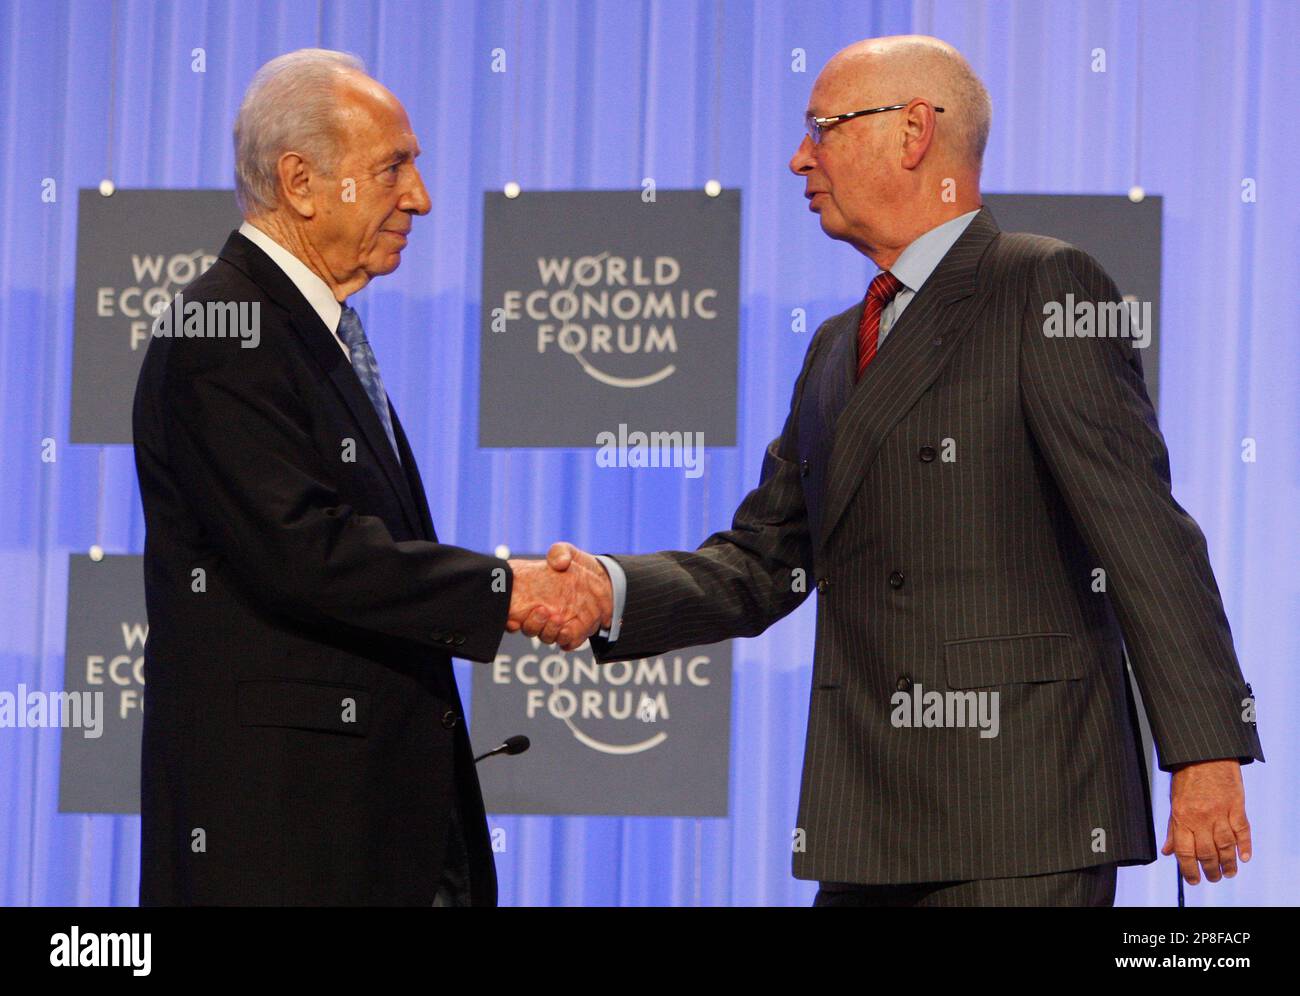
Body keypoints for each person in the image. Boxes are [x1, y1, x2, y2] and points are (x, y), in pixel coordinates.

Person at [545, 35, 1263, 906]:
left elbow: (1144, 534)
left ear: (913, 131)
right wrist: (609, 592)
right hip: (869, 822)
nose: (798, 157)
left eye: (823, 128)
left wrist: (1204, 754)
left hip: (1021, 819)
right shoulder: (836, 345)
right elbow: (765, 561)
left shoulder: (1042, 286)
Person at [132, 49, 610, 906]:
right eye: (394, 167)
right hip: (289, 848)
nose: (421, 197)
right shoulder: (226, 330)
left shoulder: (313, 332)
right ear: (302, 182)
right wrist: (509, 589)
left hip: (374, 830)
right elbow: (308, 552)